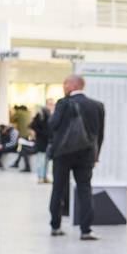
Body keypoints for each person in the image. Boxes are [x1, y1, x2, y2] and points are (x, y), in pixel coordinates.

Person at [49, 75, 106, 240]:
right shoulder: (97, 106)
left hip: (63, 154)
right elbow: (100, 135)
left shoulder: (63, 103)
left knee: (58, 188)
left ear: (72, 85)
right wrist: (96, 155)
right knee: (84, 189)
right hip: (86, 154)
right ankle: (86, 230)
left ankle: (55, 226)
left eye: (64, 83)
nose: (63, 87)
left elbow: (53, 125)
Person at [30, 100, 54, 183]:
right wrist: (40, 134)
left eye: (52, 104)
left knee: (46, 161)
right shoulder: (40, 114)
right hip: (41, 142)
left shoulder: (52, 115)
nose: (51, 106)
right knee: (41, 160)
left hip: (49, 142)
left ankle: (45, 177)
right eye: (50, 104)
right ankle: (40, 177)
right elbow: (33, 126)